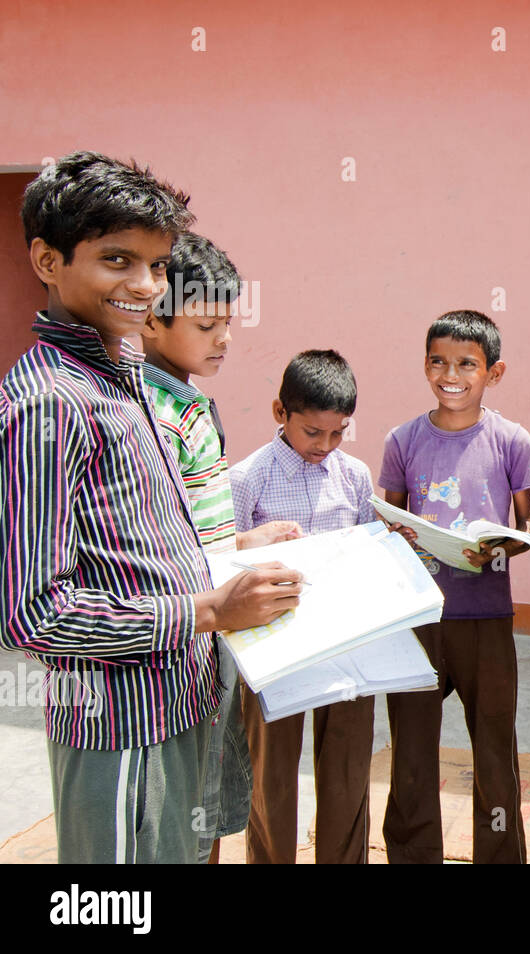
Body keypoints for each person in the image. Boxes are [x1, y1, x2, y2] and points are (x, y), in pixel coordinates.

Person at [0, 151, 300, 864]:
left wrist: (231, 561)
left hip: (181, 698)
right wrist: (207, 611)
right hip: (119, 726)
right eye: (116, 260)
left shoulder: (127, 372)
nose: (144, 285)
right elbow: (34, 612)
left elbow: (144, 543)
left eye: (158, 265)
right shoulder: (50, 402)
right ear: (47, 259)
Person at [140, 232, 301, 863]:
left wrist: (240, 540)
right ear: (152, 318)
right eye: (207, 324)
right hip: (179, 639)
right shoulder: (145, 413)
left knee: (209, 796)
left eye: (227, 322)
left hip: (212, 640)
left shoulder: (190, 405)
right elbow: (147, 542)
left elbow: (183, 527)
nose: (225, 339)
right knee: (182, 810)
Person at [379, 310, 530, 864]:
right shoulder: (403, 440)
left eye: (467, 363)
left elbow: (529, 530)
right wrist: (399, 534)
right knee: (412, 751)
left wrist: (497, 548)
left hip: (487, 619)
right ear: (425, 366)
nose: (451, 374)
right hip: (420, 620)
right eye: (438, 361)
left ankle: (498, 855)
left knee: (494, 751)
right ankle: (412, 854)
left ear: (493, 373)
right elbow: (386, 521)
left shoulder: (511, 441)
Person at [230, 349, 378, 864]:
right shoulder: (248, 478)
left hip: (344, 637)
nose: (326, 445)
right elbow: (224, 559)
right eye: (313, 432)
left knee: (347, 763)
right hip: (273, 644)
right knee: (271, 768)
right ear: (280, 413)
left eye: (338, 433)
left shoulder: (354, 475)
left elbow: (365, 549)